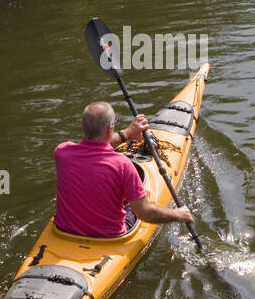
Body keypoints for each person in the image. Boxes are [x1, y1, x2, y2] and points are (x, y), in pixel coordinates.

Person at [54, 101, 194, 238]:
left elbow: (91, 143)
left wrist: (127, 134)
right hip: (110, 236)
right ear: (109, 129)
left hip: (65, 231)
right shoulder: (123, 165)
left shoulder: (62, 152)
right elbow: (145, 213)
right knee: (143, 196)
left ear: (82, 126)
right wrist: (178, 214)